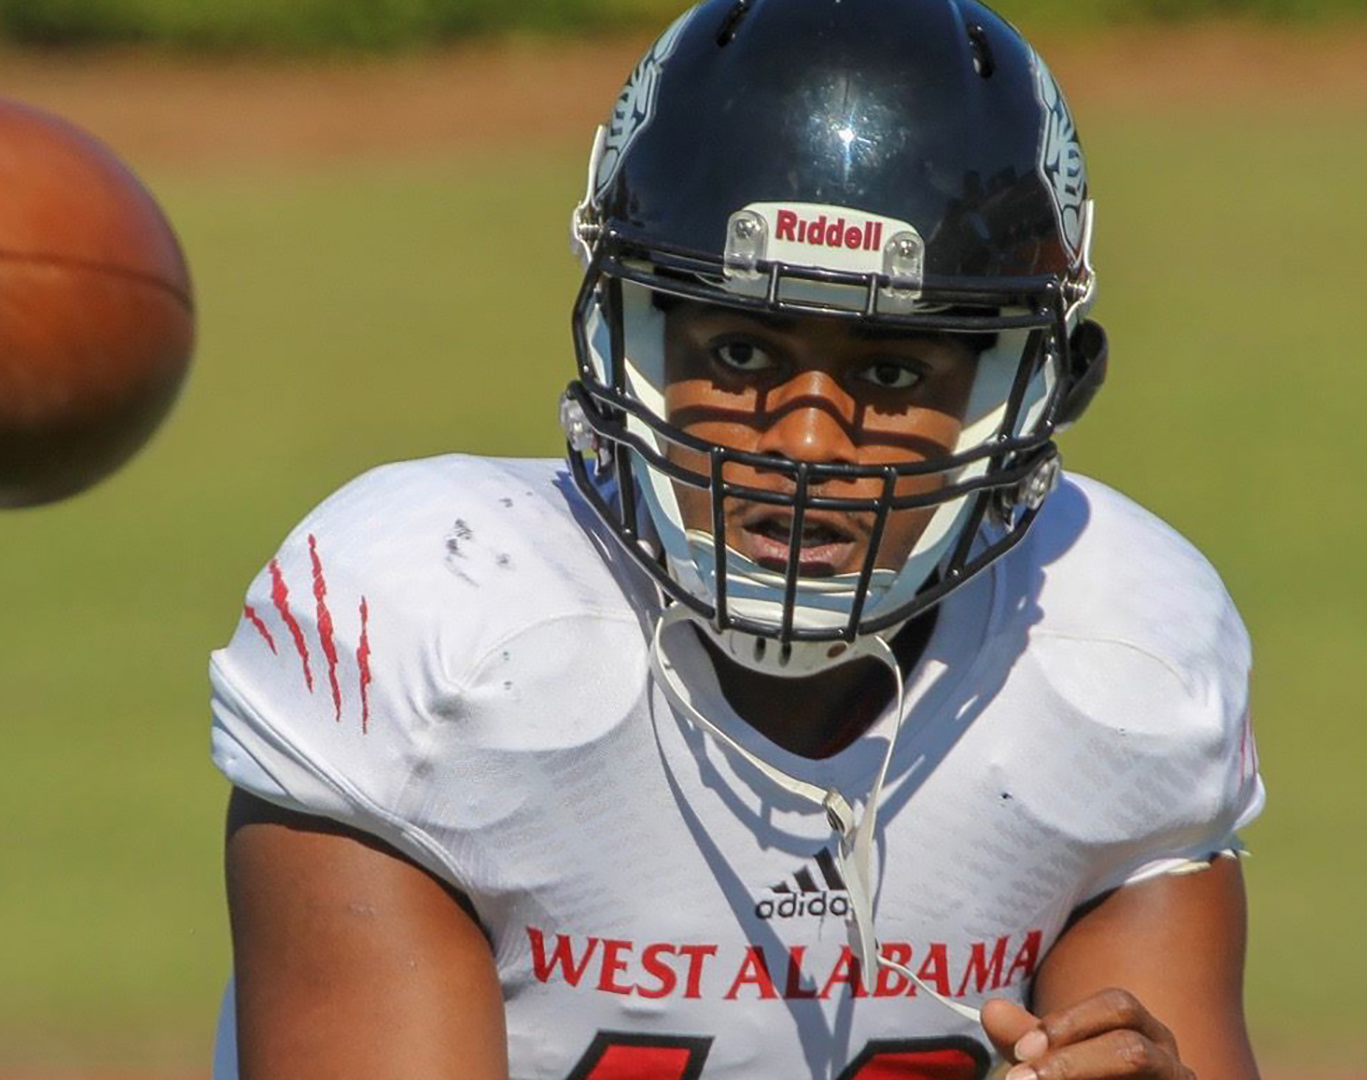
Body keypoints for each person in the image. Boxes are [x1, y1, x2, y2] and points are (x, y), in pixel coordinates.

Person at [207, 1, 1264, 1077]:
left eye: (894, 372)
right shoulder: (442, 625)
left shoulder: (1120, 658)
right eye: (743, 354)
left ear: (1026, 391)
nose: (807, 442)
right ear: (630, 335)